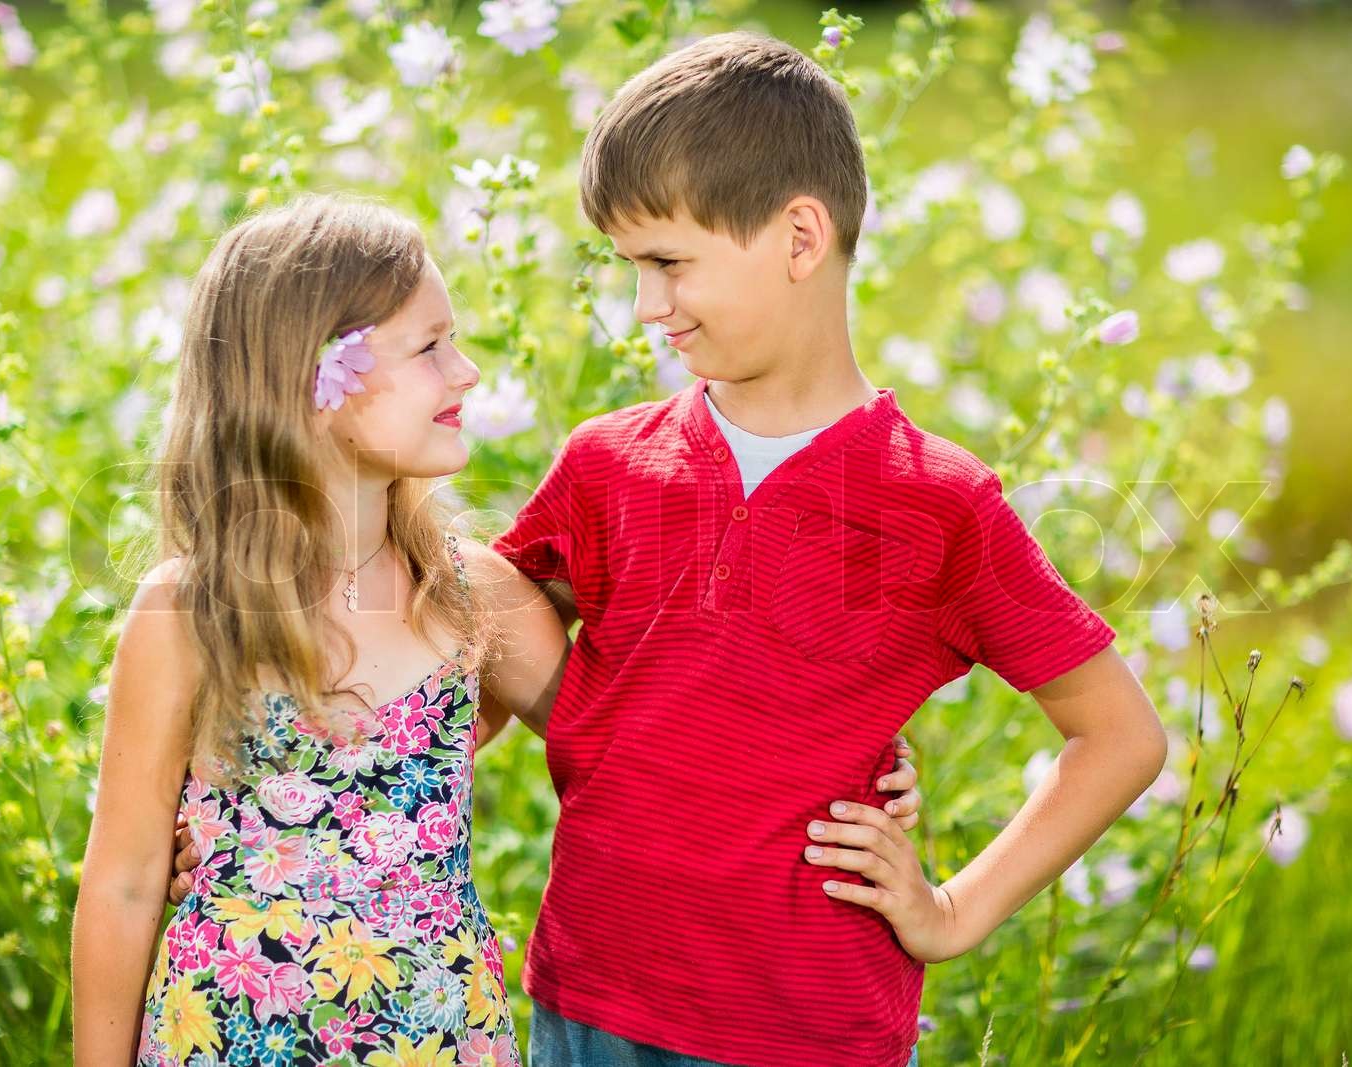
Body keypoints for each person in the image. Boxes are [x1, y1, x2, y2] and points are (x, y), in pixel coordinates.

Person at [482, 31, 1169, 1067]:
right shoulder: (606, 463)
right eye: (632, 268)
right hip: (587, 1000)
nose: (647, 308)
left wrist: (950, 910)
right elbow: (476, 640)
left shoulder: (941, 503)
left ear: (800, 238)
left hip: (802, 1028)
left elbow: (1120, 736)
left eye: (668, 263)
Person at [71, 192, 572, 1065]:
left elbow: (630, 740)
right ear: (314, 382)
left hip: (444, 1042)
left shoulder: (468, 593)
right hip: (226, 1040)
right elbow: (121, 884)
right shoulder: (192, 612)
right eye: (430, 346)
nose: (467, 373)